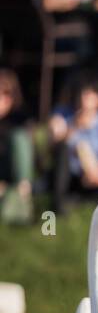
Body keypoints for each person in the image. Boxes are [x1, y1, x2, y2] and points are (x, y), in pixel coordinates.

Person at [47, 76, 98, 213]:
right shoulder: (63, 116)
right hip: (68, 177)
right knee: (64, 149)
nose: (83, 99)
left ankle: (80, 200)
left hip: (94, 178)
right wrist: (74, 127)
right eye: (81, 94)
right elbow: (52, 149)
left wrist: (97, 177)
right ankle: (61, 202)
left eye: (88, 94)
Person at [0, 69, 35, 224]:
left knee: (19, 138)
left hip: (16, 173)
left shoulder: (21, 120)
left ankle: (22, 195)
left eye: (6, 94)